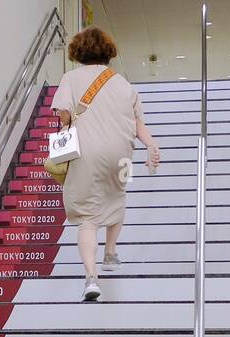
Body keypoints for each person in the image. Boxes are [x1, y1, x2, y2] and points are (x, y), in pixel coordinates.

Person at [51, 27, 161, 301]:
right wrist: (151, 145)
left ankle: (91, 278)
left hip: (86, 154)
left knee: (88, 219)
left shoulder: (70, 78)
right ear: (108, 52)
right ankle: (110, 252)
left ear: (78, 52)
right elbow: (137, 123)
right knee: (117, 197)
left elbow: (64, 118)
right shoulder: (124, 84)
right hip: (120, 153)